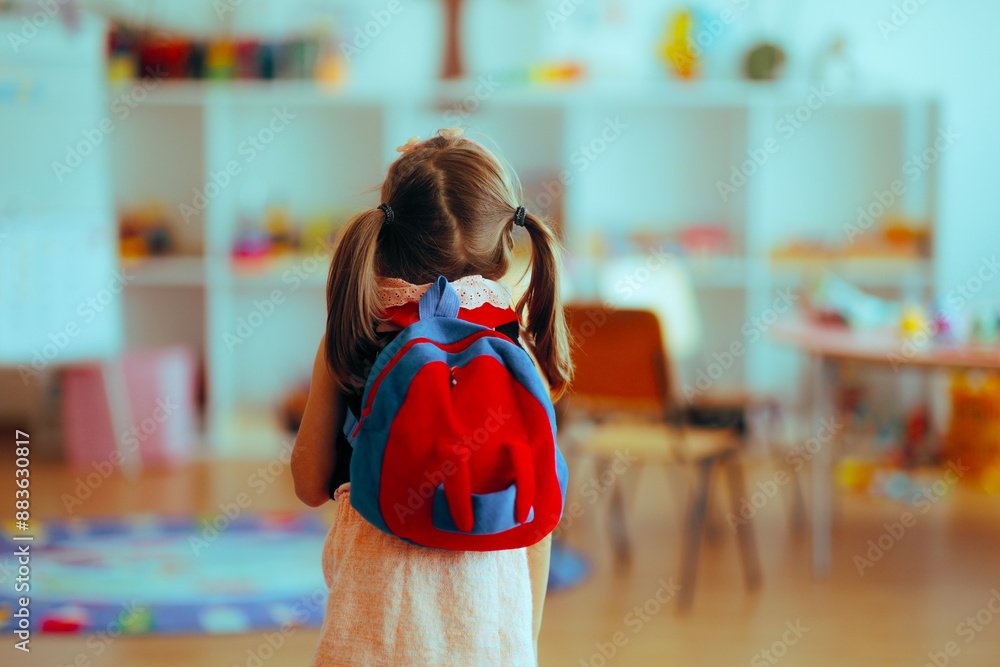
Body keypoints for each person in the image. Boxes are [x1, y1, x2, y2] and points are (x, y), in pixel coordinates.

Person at [291, 128, 573, 666]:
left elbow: (308, 484)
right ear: (506, 241)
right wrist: (525, 644)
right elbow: (539, 524)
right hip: (491, 636)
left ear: (387, 231)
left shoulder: (354, 335)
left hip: (377, 632)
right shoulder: (517, 352)